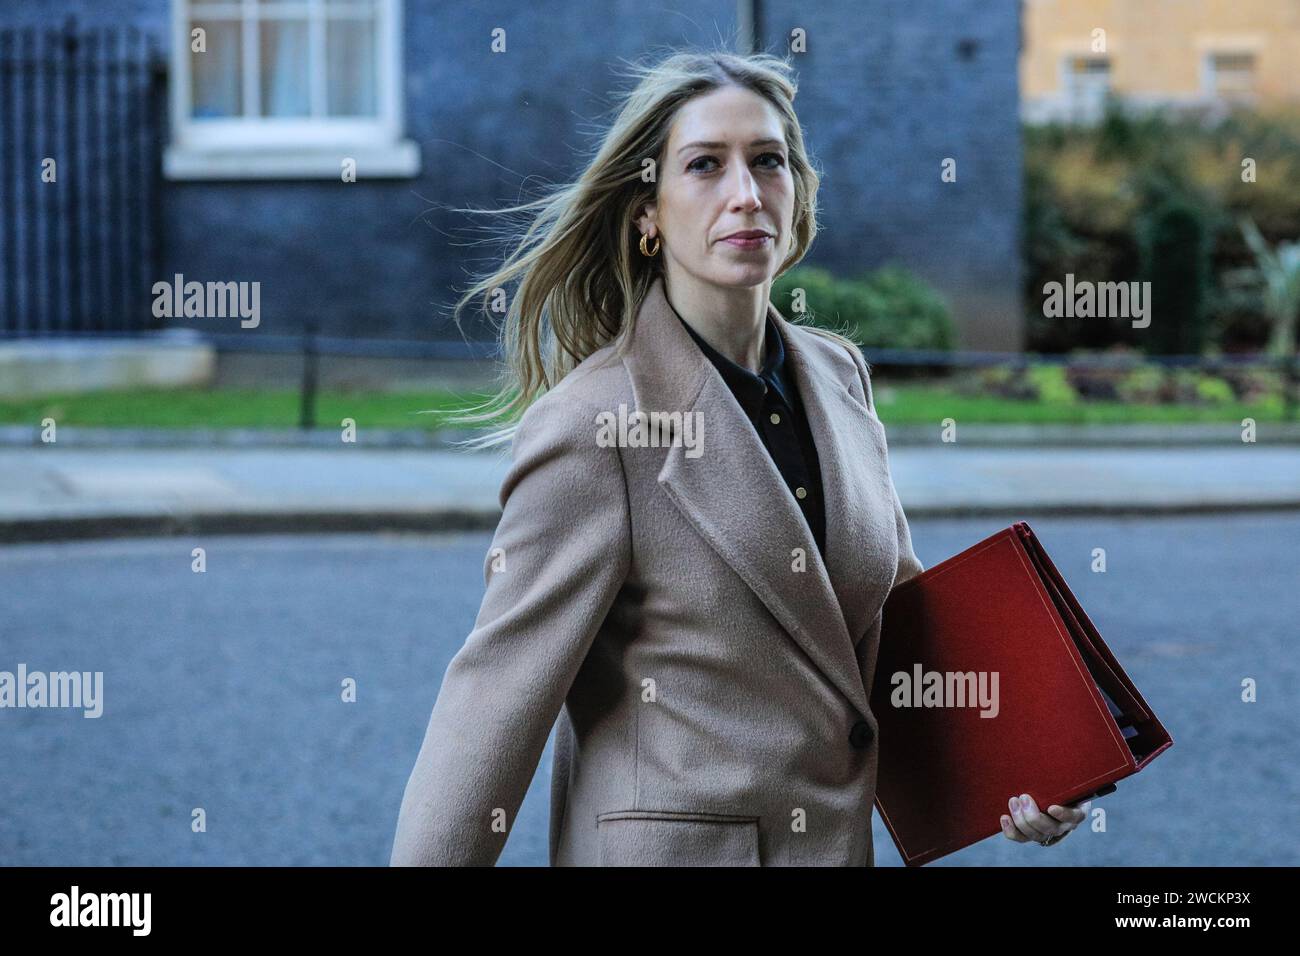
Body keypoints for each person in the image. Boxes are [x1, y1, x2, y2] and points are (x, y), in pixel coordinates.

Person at [389, 48, 1084, 866]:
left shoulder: (837, 374)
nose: (745, 193)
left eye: (768, 161)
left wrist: (1025, 765)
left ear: (797, 193)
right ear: (648, 212)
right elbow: (493, 702)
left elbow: (891, 622)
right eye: (704, 166)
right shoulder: (593, 426)